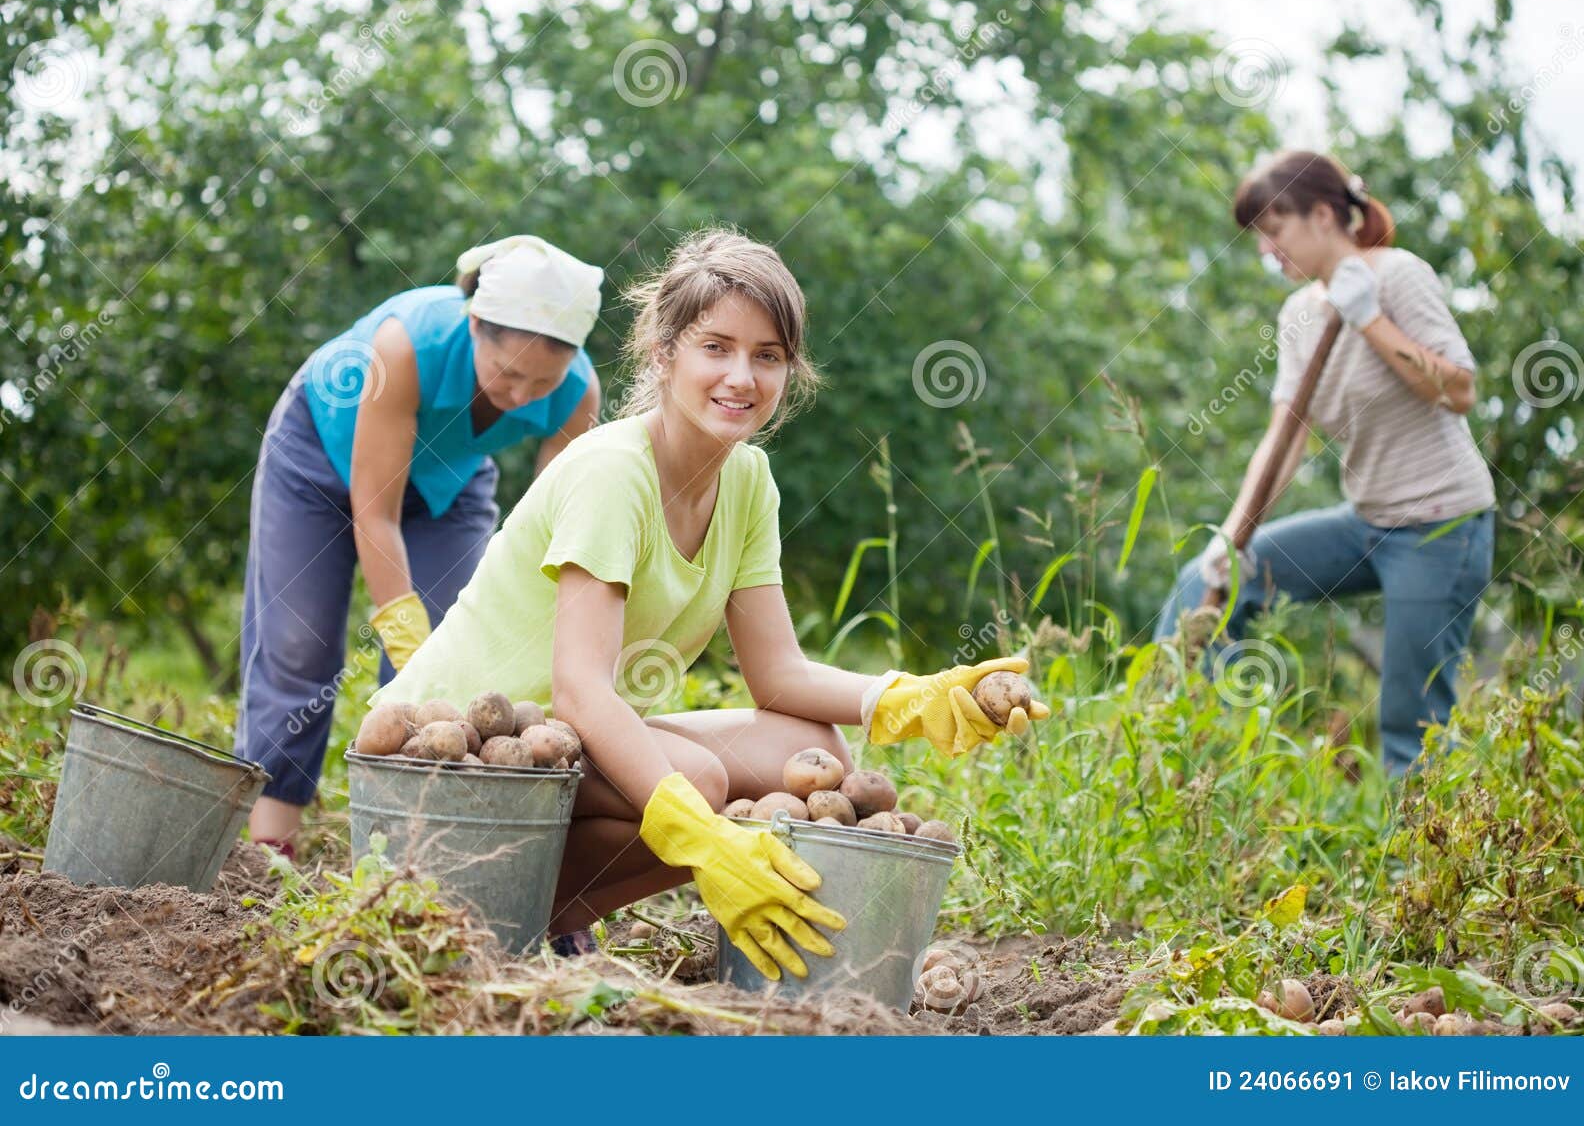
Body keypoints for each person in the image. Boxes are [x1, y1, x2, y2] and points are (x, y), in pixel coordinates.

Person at [377, 228, 1048, 976]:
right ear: (664, 354)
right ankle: (489, 906)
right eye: (716, 347)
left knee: (811, 751)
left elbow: (780, 675)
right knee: (697, 779)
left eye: (768, 355)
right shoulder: (611, 472)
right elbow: (580, 689)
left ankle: (550, 916)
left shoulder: (748, 478)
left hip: (554, 758)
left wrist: (911, 697)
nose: (742, 376)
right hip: (437, 771)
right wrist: (698, 836)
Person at [238, 235, 604, 857]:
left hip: (448, 483)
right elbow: (375, 514)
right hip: (318, 457)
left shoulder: (577, 394)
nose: (520, 396)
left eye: (541, 382)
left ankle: (408, 850)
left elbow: (548, 535)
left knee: (450, 648)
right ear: (473, 326)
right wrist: (407, 642)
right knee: (301, 644)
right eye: (508, 374)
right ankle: (269, 842)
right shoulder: (405, 345)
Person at [1158, 151, 1496, 774]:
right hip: (1367, 524)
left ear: (1321, 215)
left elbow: (1459, 391)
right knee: (1201, 588)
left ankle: (1416, 867)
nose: (1266, 251)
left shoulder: (1397, 277)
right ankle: (1191, 757)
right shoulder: (1299, 314)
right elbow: (1284, 440)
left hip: (1442, 529)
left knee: (1410, 720)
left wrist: (1369, 319)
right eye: (1259, 235)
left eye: (1274, 230)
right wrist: (1232, 538)